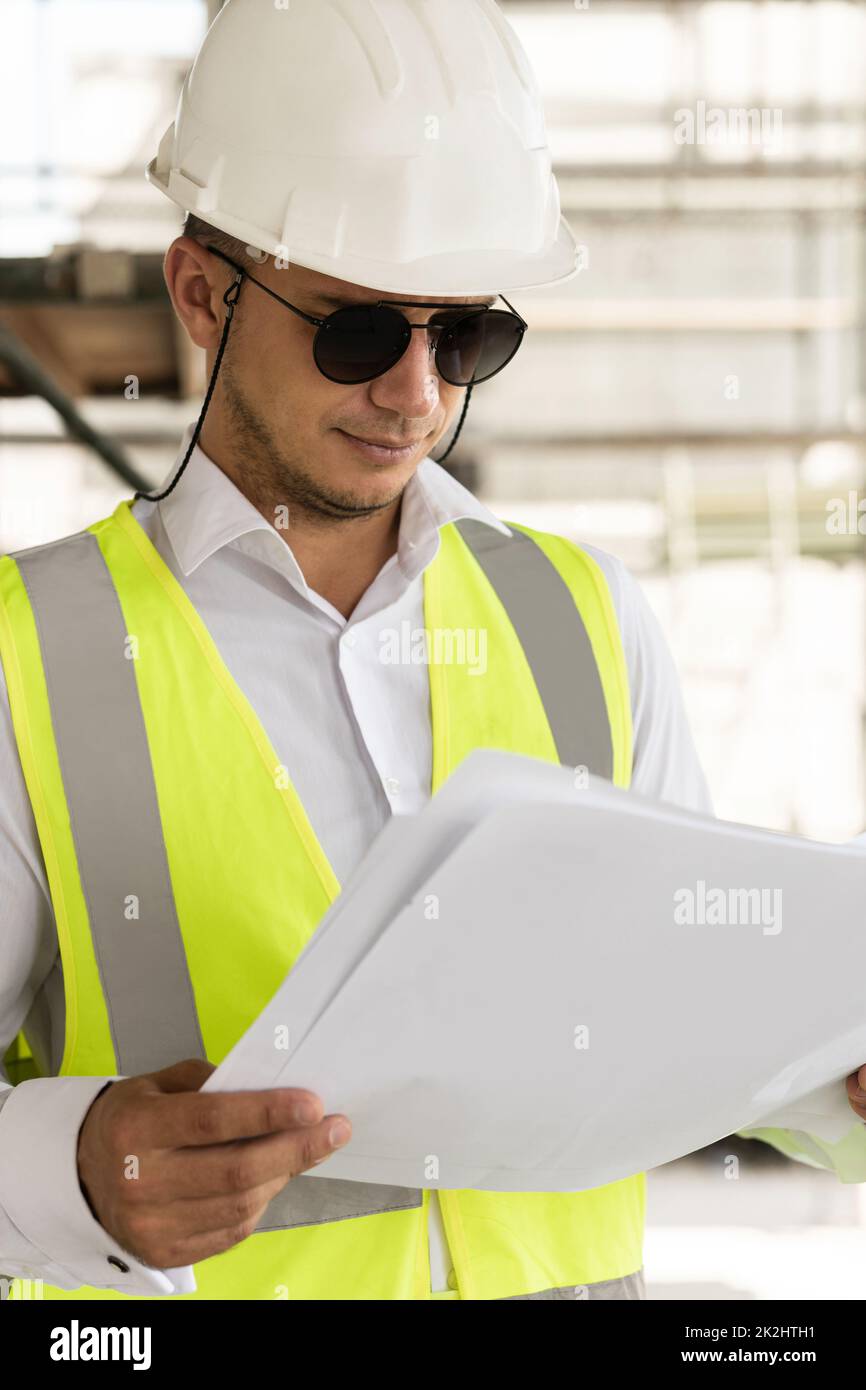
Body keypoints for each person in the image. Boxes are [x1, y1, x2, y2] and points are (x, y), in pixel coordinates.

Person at [1, 0, 864, 1303]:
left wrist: (837, 1083)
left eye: (464, 335)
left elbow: (692, 1027)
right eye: (355, 328)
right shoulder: (32, 656)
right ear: (199, 291)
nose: (415, 394)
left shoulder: (586, 621)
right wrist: (70, 1169)